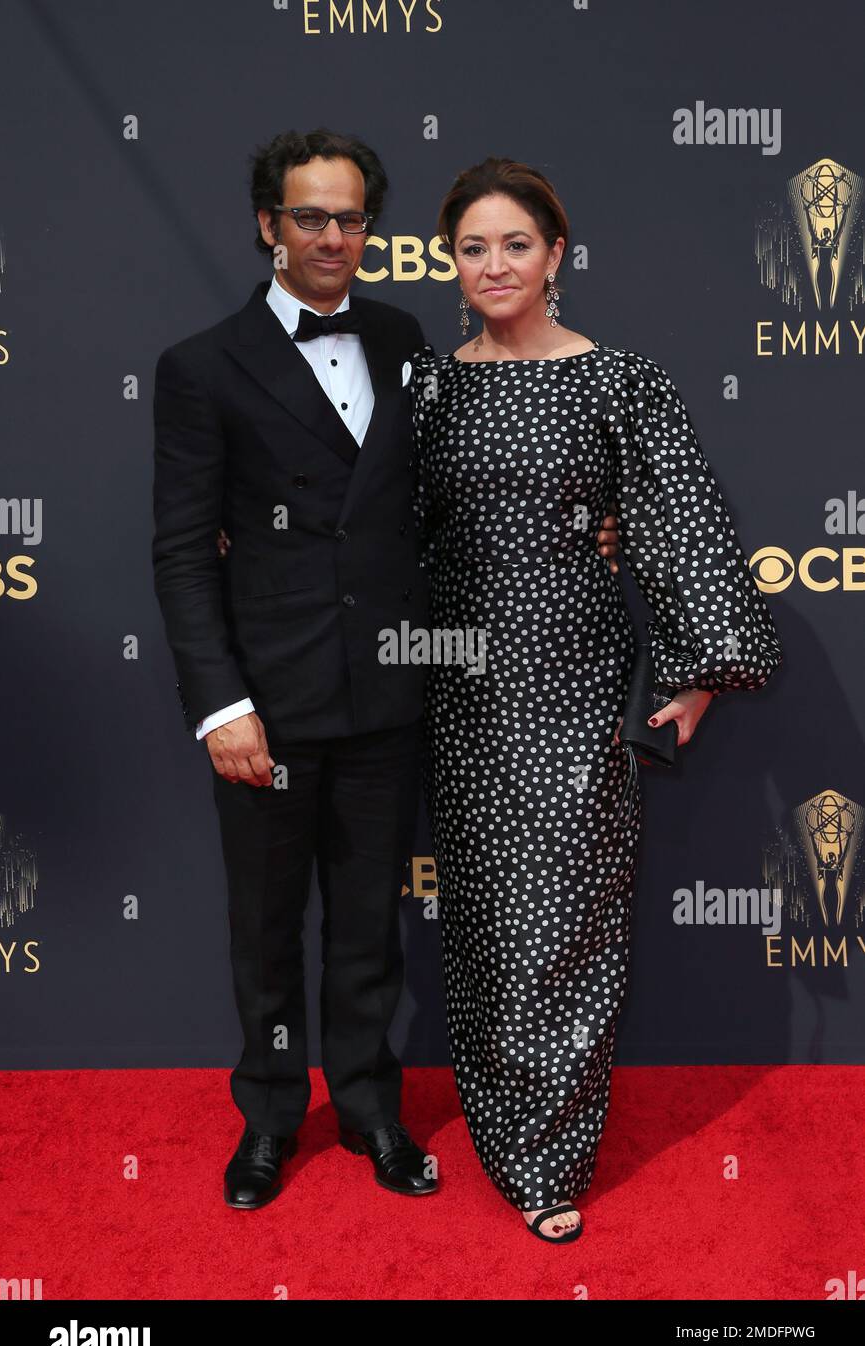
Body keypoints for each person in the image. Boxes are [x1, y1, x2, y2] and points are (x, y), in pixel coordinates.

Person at [151, 128, 623, 1211]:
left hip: (393, 695)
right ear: (267, 224)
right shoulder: (200, 366)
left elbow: (455, 495)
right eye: (309, 216)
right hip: (265, 705)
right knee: (267, 931)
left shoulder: (409, 339)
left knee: (367, 926)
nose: (332, 236)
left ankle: (368, 1107)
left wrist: (585, 529)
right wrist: (220, 703)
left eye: (351, 216)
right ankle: (270, 1118)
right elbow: (181, 549)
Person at [410, 156, 783, 1243]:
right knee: (483, 921)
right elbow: (386, 528)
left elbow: (677, 522)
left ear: (555, 254)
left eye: (514, 244)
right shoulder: (428, 386)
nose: (493, 264)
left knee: (568, 917)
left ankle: (547, 1157)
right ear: (449, 261)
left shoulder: (618, 379)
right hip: (458, 686)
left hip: (575, 677)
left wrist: (696, 678)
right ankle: (499, 1126)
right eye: (472, 247)